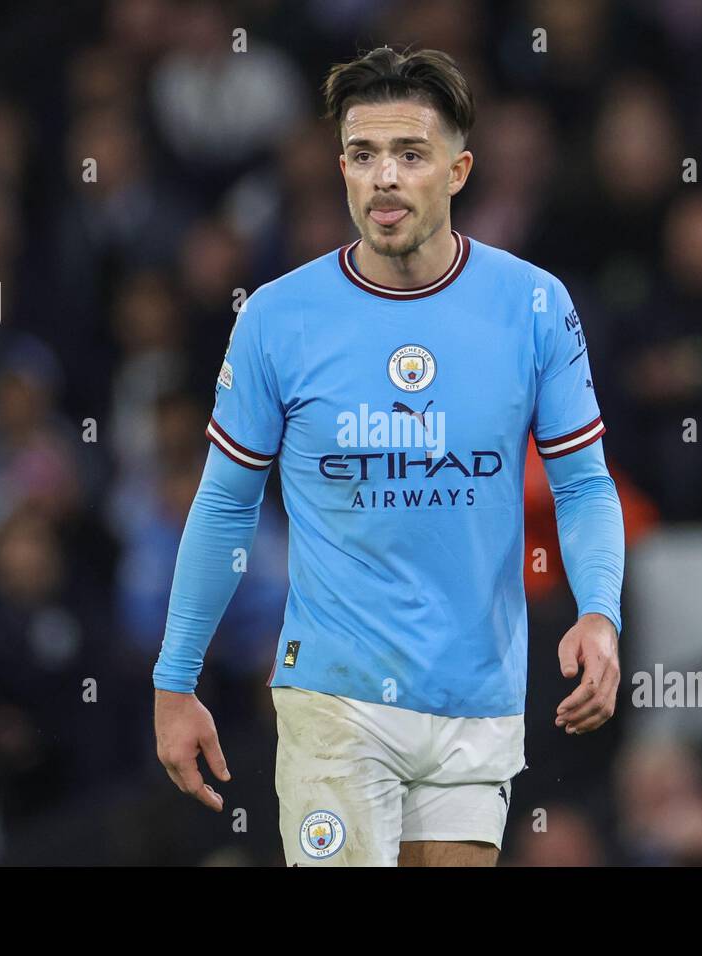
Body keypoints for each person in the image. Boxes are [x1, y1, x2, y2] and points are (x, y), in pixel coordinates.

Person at [153, 46, 626, 867]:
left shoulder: (534, 305)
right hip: (334, 688)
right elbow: (227, 505)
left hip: (477, 689)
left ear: (459, 169)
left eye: (410, 154)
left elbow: (583, 482)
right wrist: (175, 677)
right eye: (364, 155)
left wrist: (599, 614)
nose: (384, 177)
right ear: (341, 167)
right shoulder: (278, 317)